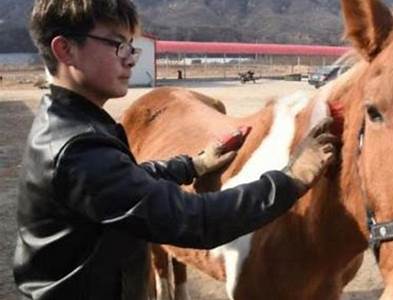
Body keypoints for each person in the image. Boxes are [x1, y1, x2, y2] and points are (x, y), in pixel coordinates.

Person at [13, 1, 337, 299]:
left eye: (131, 46)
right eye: (116, 44)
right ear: (66, 50)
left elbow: (128, 182)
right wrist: (291, 178)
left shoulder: (74, 126)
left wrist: (192, 165)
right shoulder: (77, 149)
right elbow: (195, 220)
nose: (130, 57)